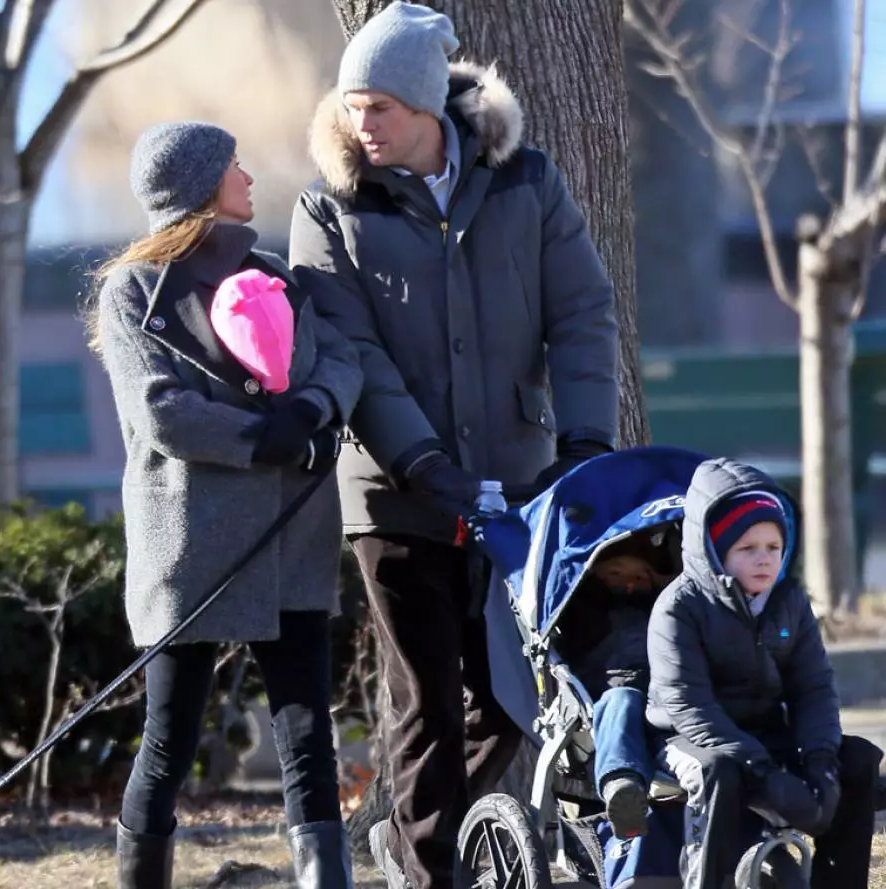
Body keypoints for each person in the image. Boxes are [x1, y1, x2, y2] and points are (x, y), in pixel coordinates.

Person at [288, 3, 620, 886]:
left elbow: (583, 313)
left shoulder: (526, 182)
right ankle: (432, 868)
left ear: (429, 103)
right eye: (352, 107)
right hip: (394, 494)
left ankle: (412, 838)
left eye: (380, 108)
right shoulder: (329, 207)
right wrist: (420, 460)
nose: (362, 126)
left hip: (517, 484)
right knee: (425, 700)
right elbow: (349, 349)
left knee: (512, 700)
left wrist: (585, 440)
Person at [90, 120, 364, 889]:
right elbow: (161, 411)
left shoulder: (274, 271)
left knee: (308, 728)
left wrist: (309, 411)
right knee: (170, 736)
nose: (247, 175)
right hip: (192, 542)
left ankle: (326, 879)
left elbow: (342, 358)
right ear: (203, 186)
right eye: (233, 165)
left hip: (291, 535)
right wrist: (265, 438)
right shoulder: (132, 292)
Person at [646, 457, 883, 889]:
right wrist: (763, 771)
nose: (763, 560)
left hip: (767, 732)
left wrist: (821, 762)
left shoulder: (789, 600)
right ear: (714, 551)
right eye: (747, 549)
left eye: (773, 548)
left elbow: (813, 688)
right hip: (687, 739)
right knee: (717, 770)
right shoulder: (678, 607)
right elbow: (687, 704)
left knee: (859, 759)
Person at [556, 531, 676, 839]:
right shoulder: (583, 611)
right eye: (616, 574)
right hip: (609, 694)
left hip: (667, 693)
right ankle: (622, 784)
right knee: (622, 700)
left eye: (640, 576)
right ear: (595, 575)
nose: (630, 584)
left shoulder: (668, 611)